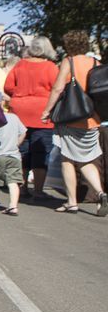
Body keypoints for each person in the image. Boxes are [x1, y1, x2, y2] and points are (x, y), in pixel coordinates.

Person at [40, 31, 107, 216]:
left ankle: (71, 202)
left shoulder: (69, 62)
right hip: (92, 119)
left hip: (71, 117)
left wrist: (47, 111)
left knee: (67, 159)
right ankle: (100, 192)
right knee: (87, 158)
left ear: (68, 45)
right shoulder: (96, 63)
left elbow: (58, 87)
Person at [4, 37, 59, 199]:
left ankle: (22, 187)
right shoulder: (50, 67)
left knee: (22, 150)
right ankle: (38, 190)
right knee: (41, 152)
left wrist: (20, 94)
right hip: (42, 114)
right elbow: (57, 88)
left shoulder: (20, 64)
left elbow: (8, 86)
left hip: (19, 112)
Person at [0, 107, 27, 216]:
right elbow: (24, 132)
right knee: (13, 181)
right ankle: (13, 206)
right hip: (14, 156)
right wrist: (17, 144)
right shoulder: (13, 117)